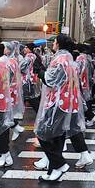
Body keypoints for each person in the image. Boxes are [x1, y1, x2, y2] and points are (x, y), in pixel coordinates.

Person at [32, 34, 90, 180]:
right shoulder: (69, 58)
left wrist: (39, 71)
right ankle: (53, 171)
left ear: (58, 44)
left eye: (55, 41)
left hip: (58, 102)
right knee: (57, 136)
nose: (53, 44)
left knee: (42, 133)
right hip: (67, 102)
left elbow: (50, 80)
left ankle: (59, 164)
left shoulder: (61, 59)